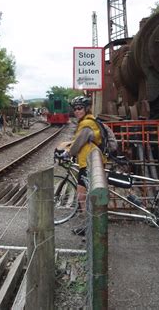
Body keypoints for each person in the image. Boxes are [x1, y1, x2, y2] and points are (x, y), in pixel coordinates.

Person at [56, 95, 107, 237]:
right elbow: (78, 141)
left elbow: (78, 143)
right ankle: (89, 225)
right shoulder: (88, 121)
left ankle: (89, 227)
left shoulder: (86, 124)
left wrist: (67, 153)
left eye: (79, 108)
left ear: (86, 109)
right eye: (75, 109)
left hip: (89, 163)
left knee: (82, 195)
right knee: (84, 194)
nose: (77, 111)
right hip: (88, 161)